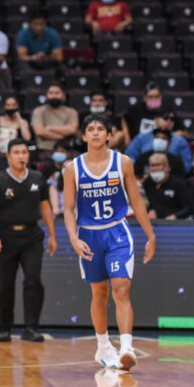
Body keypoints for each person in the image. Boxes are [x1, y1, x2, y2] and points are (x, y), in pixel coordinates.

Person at [63, 113, 155, 371]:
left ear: (109, 135)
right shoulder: (72, 168)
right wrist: (73, 237)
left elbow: (136, 200)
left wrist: (151, 235)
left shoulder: (123, 162)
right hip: (88, 234)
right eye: (90, 129)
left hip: (117, 233)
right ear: (83, 136)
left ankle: (126, 347)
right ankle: (103, 347)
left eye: (100, 129)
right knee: (99, 293)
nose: (95, 133)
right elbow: (68, 208)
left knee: (121, 289)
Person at [0, 139, 57, 343]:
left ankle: (30, 328)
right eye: (16, 152)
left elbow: (46, 207)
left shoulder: (37, 178)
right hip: (4, 237)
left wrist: (52, 235)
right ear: (8, 156)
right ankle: (4, 328)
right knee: (4, 284)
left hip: (32, 236)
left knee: (33, 280)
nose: (21, 156)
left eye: (24, 152)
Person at [124, 110, 191, 174]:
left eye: (172, 119)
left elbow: (186, 165)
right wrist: (139, 169)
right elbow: (129, 156)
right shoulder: (141, 137)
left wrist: (169, 174)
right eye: (165, 118)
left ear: (169, 142)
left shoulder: (180, 141)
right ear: (156, 119)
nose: (169, 121)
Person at [142, 153, 194, 220]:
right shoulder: (147, 183)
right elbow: (147, 203)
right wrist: (151, 210)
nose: (155, 168)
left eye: (158, 165)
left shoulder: (179, 184)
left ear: (167, 167)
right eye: (152, 165)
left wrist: (175, 216)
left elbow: (188, 208)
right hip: (156, 221)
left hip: (178, 220)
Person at [30, 85, 78, 151]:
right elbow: (39, 131)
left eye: (57, 93)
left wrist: (49, 127)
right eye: (51, 93)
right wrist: (62, 137)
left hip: (67, 149)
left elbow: (72, 130)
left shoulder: (71, 112)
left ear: (63, 95)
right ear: (46, 96)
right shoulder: (38, 111)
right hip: (44, 149)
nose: (54, 96)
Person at [43, 139, 74, 216]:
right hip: (57, 208)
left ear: (68, 153)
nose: (59, 154)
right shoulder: (48, 169)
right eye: (57, 151)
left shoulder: (72, 166)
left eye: (62, 152)